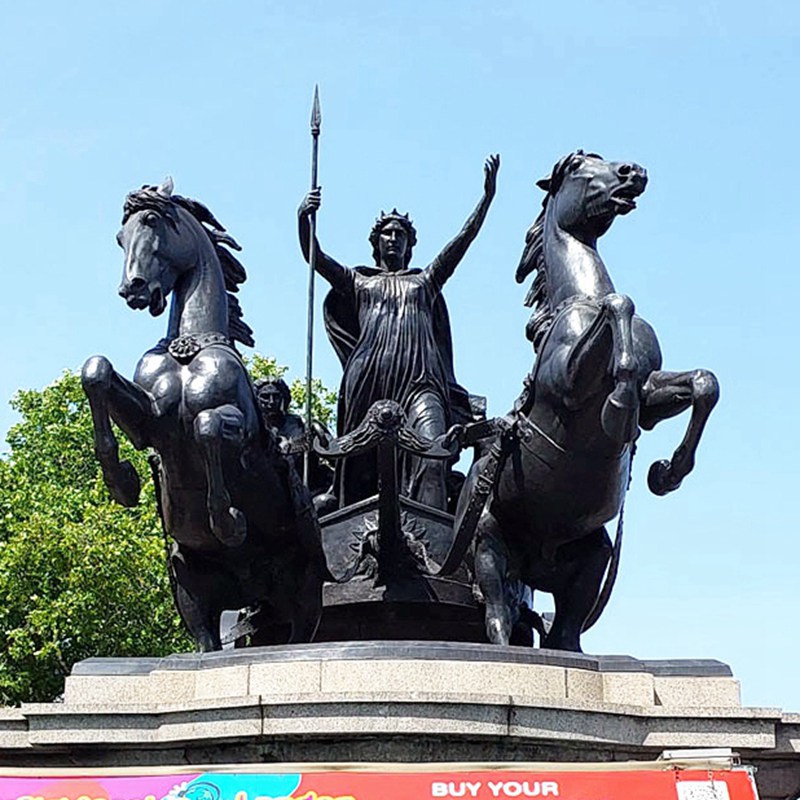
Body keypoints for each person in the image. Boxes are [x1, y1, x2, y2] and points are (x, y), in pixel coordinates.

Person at [298, 155, 499, 510]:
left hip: (420, 383)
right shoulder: (358, 282)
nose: (393, 238)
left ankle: (429, 531)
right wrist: (303, 218)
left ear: (410, 244)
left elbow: (461, 243)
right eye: (387, 233)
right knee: (358, 472)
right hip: (367, 383)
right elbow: (315, 257)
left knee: (433, 452)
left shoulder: (426, 281)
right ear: (375, 242)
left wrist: (486, 199)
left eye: (400, 234)